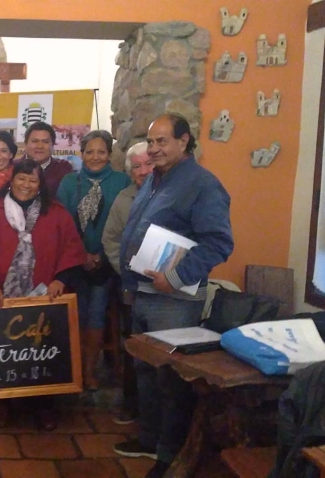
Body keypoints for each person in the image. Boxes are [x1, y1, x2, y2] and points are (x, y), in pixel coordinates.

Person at [113, 114, 234, 478]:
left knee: (171, 381)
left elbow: (219, 243)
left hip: (174, 301)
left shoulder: (202, 185)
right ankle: (149, 440)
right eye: (151, 142)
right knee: (146, 373)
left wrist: (177, 276)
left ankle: (169, 457)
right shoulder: (155, 180)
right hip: (144, 294)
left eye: (162, 141)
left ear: (184, 141)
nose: (154, 149)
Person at [0, 158, 86, 430]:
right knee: (3, 348)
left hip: (44, 296)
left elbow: (71, 248)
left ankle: (43, 405)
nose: (26, 185)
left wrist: (61, 279)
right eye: (21, 178)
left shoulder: (56, 213)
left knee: (41, 349)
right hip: (1, 297)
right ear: (12, 179)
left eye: (32, 180)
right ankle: (1, 402)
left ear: (40, 184)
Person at [56, 130, 131, 396]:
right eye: (89, 152)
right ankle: (72, 369)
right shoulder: (69, 182)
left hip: (107, 262)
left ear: (109, 154)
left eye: (101, 152)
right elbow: (62, 223)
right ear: (82, 154)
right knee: (75, 312)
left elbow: (125, 224)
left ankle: (89, 371)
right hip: (75, 261)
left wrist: (101, 255)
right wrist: (82, 255)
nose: (95, 157)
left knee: (96, 311)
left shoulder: (122, 182)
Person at [101, 141, 154, 425]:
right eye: (137, 166)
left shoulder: (175, 194)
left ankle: (158, 417)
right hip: (132, 288)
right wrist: (125, 271)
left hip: (169, 290)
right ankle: (133, 404)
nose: (143, 171)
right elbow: (110, 239)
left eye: (148, 164)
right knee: (133, 345)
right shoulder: (124, 199)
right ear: (130, 172)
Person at [20, 121, 74, 197]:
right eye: (35, 141)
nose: (40, 146)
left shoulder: (63, 169)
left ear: (53, 145)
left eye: (45, 142)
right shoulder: (13, 167)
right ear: (25, 144)